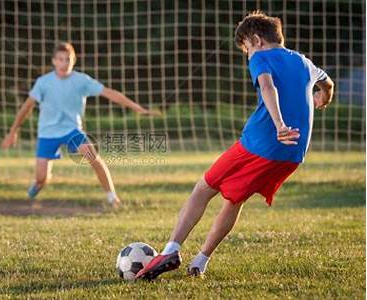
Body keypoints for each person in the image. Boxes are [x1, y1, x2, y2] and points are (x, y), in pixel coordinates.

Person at [136, 11, 334, 280]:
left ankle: (171, 250)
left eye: (247, 48)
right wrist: (323, 96)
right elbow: (328, 83)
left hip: (260, 144)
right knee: (234, 199)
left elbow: (267, 87)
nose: (248, 54)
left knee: (203, 188)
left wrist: (279, 125)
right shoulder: (304, 62)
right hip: (292, 155)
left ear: (256, 40)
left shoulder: (260, 57)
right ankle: (201, 261)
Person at [2, 42, 158, 208]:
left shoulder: (82, 80)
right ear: (54, 61)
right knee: (41, 178)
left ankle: (113, 198)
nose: (64, 63)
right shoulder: (43, 82)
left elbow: (109, 93)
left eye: (67, 59)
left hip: (72, 130)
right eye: (60, 59)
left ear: (73, 61)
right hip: (47, 133)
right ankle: (37, 186)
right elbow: (26, 107)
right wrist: (13, 131)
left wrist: (136, 107)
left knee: (93, 157)